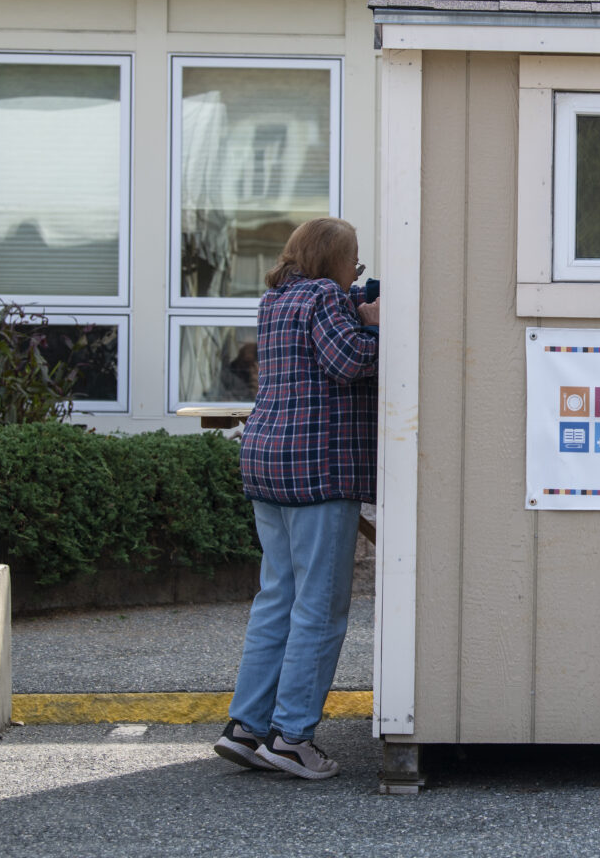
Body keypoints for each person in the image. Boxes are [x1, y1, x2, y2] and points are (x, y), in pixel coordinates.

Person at [213, 217, 380, 780]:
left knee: (276, 599)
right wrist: (377, 326)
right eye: (353, 262)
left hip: (267, 461)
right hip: (318, 469)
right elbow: (349, 362)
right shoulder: (327, 297)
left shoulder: (277, 299)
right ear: (333, 259)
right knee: (319, 609)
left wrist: (357, 310)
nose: (354, 272)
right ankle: (292, 737)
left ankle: (247, 726)